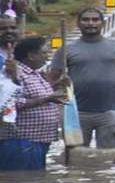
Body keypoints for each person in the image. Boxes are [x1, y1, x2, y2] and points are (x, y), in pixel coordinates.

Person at [48, 8, 115, 149]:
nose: (91, 23)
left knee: (110, 157)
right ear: (78, 23)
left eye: (95, 20)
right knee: (75, 157)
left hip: (110, 111)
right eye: (86, 20)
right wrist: (58, 86)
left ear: (102, 23)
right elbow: (50, 83)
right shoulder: (66, 50)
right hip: (76, 112)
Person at [1, 37, 67, 171]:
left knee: (33, 181)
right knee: (19, 182)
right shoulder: (15, 73)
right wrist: (47, 99)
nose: (47, 57)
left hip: (39, 140)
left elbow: (35, 94)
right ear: (31, 55)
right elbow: (11, 103)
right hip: (22, 141)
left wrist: (56, 86)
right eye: (44, 53)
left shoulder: (36, 73)